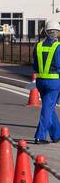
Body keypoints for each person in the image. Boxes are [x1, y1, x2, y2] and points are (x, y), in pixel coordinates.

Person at [32, 16, 60, 144]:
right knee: (47, 108)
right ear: (57, 32)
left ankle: (56, 135)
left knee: (49, 107)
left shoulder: (38, 46)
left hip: (40, 81)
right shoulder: (58, 46)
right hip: (54, 82)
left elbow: (35, 65)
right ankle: (40, 136)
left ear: (46, 32)